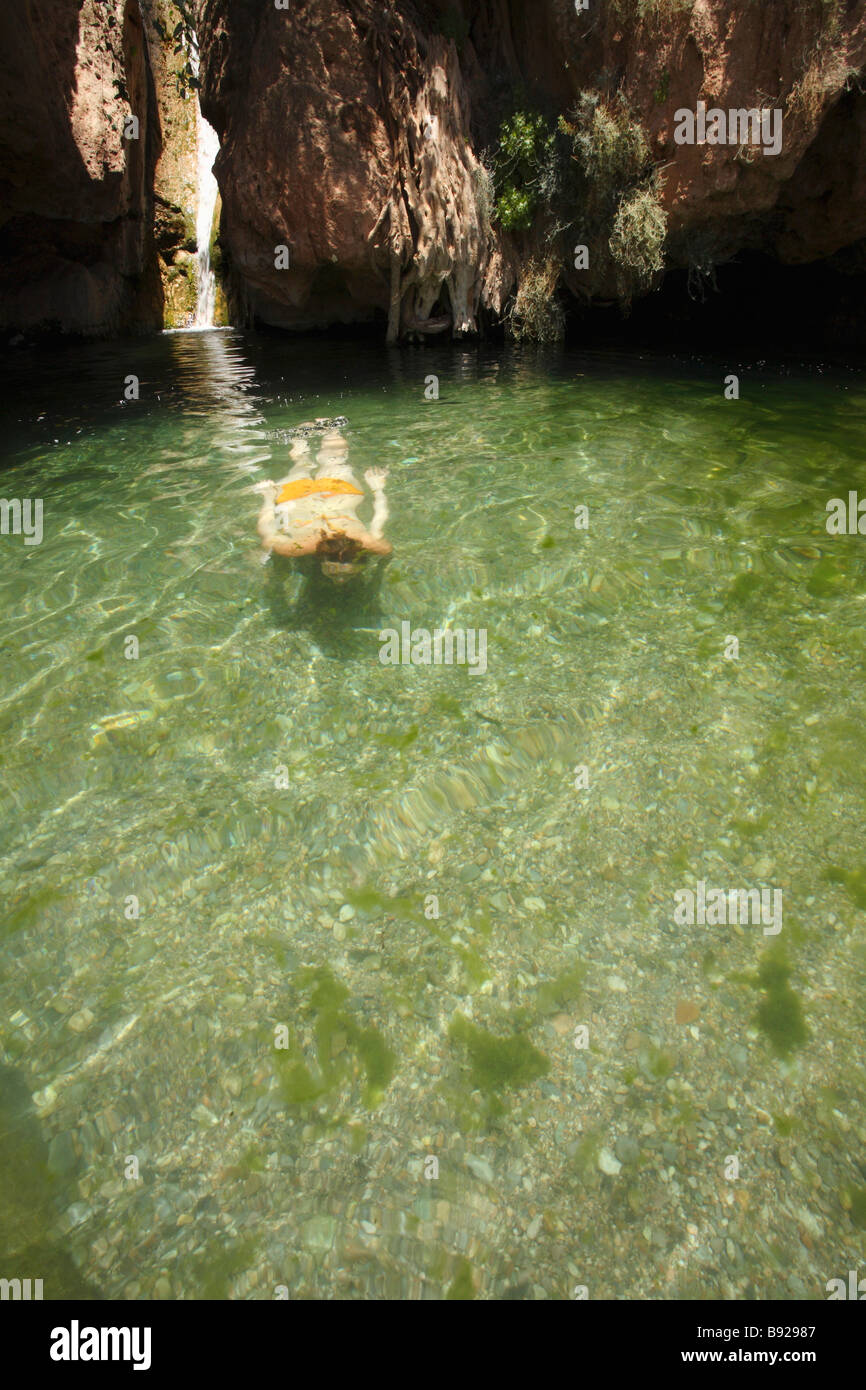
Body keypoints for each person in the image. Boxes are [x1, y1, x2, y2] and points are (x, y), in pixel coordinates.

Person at [254, 429, 391, 584]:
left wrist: (268, 498)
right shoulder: (301, 547)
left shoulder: (366, 542)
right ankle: (328, 429)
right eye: (346, 575)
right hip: (318, 497)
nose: (340, 580)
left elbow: (268, 534)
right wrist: (378, 489)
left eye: (334, 574)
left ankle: (321, 431)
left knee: (309, 462)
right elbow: (268, 534)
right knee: (317, 462)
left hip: (310, 497)